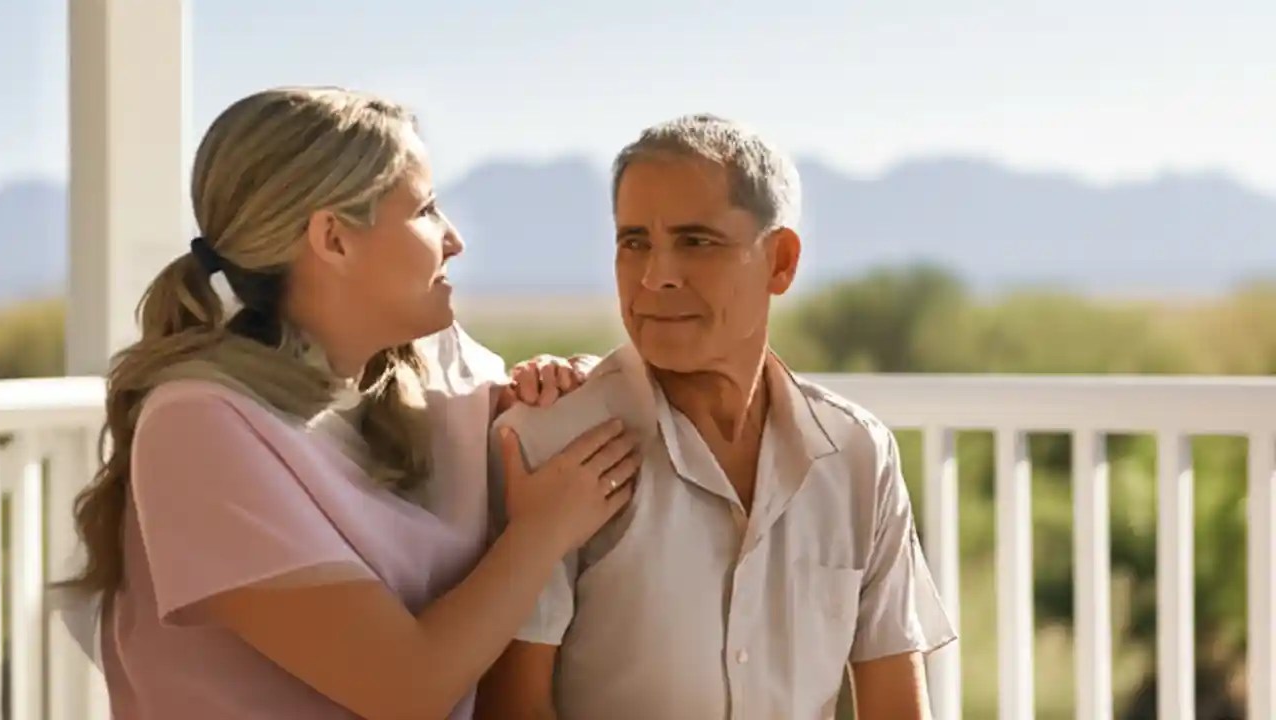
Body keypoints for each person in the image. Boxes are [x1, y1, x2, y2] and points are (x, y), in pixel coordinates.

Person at [62, 86, 639, 720]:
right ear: (333, 238)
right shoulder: (200, 425)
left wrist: (563, 386)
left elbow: (544, 430)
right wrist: (543, 531)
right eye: (426, 210)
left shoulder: (434, 362)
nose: (454, 240)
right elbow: (406, 689)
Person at [478, 114, 957, 720]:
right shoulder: (549, 444)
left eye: (696, 241)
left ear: (781, 261)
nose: (656, 276)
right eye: (634, 242)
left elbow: (897, 706)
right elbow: (512, 710)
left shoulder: (860, 454)